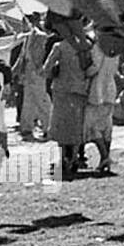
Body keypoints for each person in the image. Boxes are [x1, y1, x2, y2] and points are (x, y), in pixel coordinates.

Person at [43, 31, 94, 177]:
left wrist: (57, 69)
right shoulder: (86, 46)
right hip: (80, 89)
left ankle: (63, 157)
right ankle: (75, 157)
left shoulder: (59, 46)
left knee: (61, 124)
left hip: (61, 89)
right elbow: (90, 69)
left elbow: (47, 69)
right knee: (76, 125)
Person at [84, 43, 120, 174]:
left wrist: (85, 73)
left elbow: (95, 66)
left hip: (98, 86)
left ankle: (104, 156)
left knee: (94, 125)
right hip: (110, 85)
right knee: (107, 125)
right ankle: (105, 157)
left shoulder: (98, 47)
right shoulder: (116, 47)